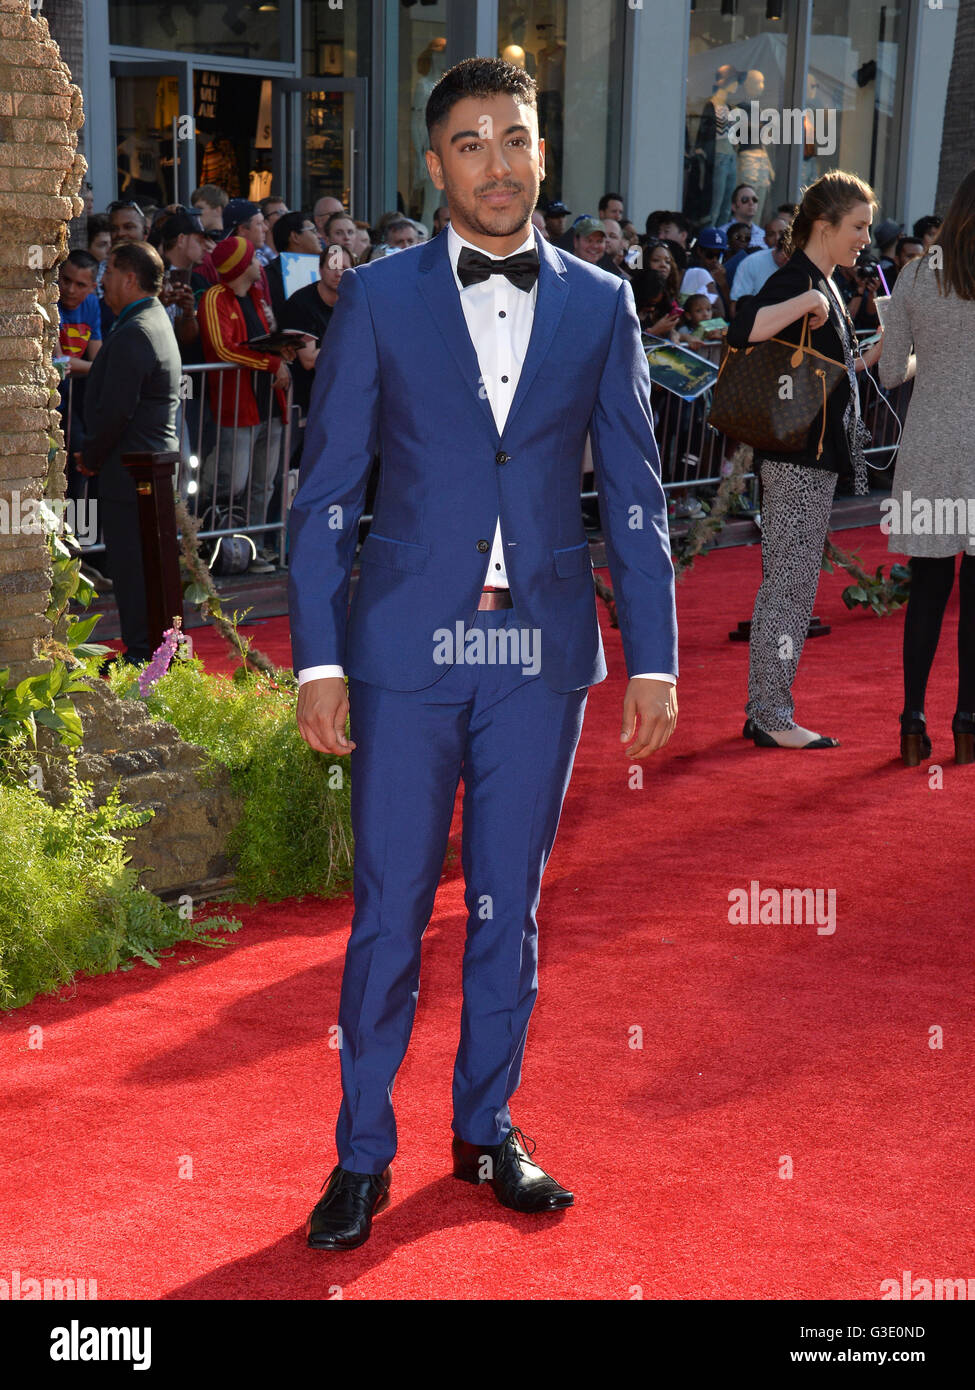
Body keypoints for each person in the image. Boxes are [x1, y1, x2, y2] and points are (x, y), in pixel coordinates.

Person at [290, 55, 678, 1251]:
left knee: (511, 910)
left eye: (516, 138)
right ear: (435, 161)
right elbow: (325, 493)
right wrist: (317, 658)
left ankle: (485, 1125)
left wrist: (654, 649)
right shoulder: (381, 298)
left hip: (538, 655)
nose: (498, 163)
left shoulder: (600, 302)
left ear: (543, 155)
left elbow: (635, 490)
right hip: (406, 650)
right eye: (472, 142)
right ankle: (361, 1153)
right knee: (390, 913)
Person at [727, 170, 884, 748]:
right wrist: (810, 299)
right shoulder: (801, 279)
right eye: (858, 226)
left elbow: (832, 374)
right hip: (795, 456)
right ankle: (771, 715)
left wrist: (885, 354)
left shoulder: (826, 282)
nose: (865, 238)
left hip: (808, 454)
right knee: (788, 587)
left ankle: (768, 710)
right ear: (825, 226)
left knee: (791, 585)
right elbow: (744, 328)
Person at [876, 172, 975, 765]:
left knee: (929, 589)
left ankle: (912, 722)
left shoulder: (916, 273)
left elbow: (890, 372)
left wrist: (925, 360)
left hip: (930, 445)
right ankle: (968, 722)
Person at [75, 241, 181, 664]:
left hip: (134, 469)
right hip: (142, 467)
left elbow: (117, 410)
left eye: (110, 273)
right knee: (144, 566)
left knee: (135, 567)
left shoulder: (137, 329)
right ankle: (151, 651)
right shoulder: (148, 319)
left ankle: (143, 654)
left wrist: (92, 455)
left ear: (129, 278)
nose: (103, 282)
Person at [197, 235, 298, 573]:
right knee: (232, 483)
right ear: (241, 265)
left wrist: (281, 348)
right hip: (238, 407)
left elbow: (258, 345)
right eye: (254, 257)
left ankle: (251, 552)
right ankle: (210, 546)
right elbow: (224, 349)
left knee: (262, 485)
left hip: (269, 404)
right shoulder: (214, 298)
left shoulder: (257, 297)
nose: (260, 262)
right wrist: (273, 364)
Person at [279, 244, 353, 467]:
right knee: (292, 468)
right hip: (304, 404)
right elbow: (309, 360)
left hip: (341, 405)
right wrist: (350, 347)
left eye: (345, 267)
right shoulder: (301, 303)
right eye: (333, 266)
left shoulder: (355, 302)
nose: (339, 272)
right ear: (320, 269)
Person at [696, 64, 740, 228]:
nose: (736, 85)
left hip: (730, 157)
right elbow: (703, 132)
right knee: (715, 204)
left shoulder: (730, 107)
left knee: (726, 206)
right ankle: (709, 236)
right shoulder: (711, 106)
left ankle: (720, 235)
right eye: (734, 80)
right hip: (719, 158)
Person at [719, 184, 767, 249]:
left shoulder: (764, 235)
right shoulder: (721, 233)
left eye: (754, 199)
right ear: (733, 206)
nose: (751, 203)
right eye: (745, 199)